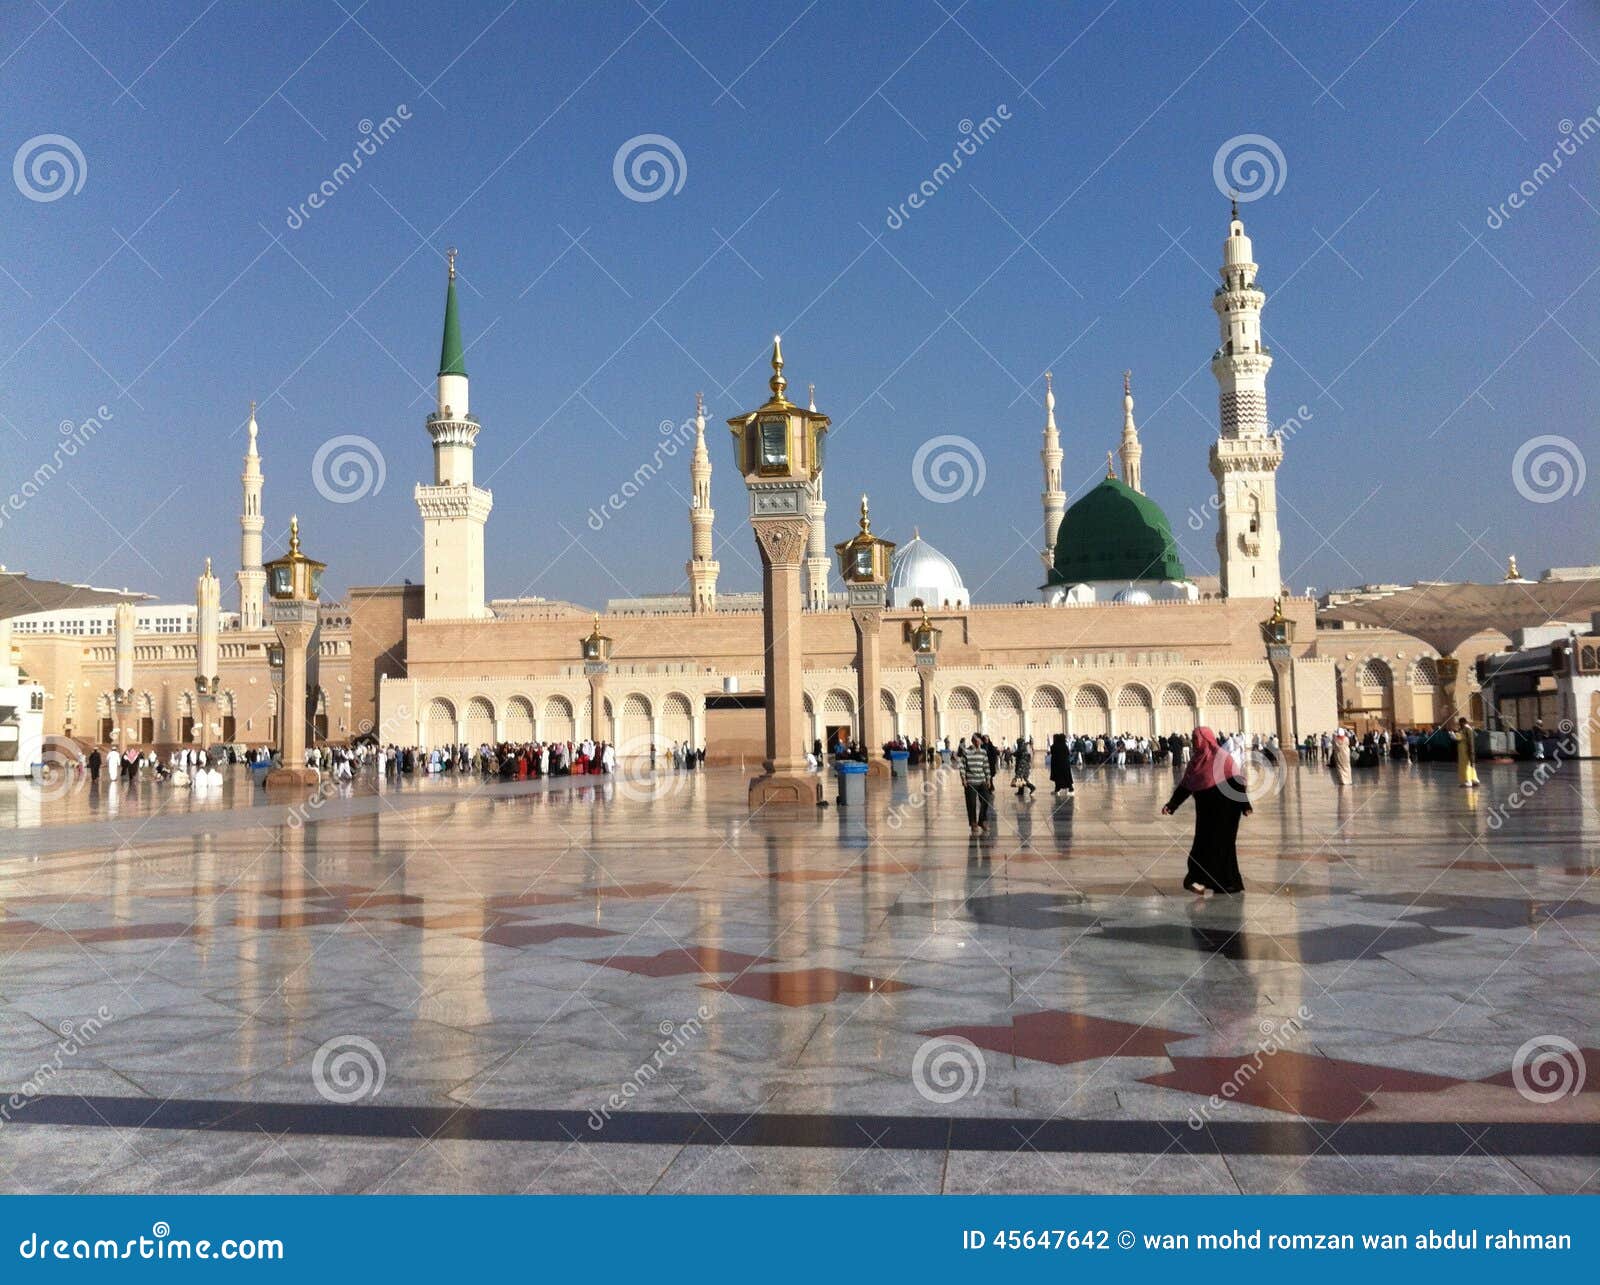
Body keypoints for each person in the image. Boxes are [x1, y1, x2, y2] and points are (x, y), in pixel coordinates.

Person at [1161, 727, 1251, 895]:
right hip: (1206, 811)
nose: (1195, 743)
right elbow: (1186, 785)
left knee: (1223, 845)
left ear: (1206, 740)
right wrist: (1172, 805)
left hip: (1226, 810)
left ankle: (1223, 883)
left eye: (1196, 739)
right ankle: (1203, 880)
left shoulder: (1223, 758)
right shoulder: (1196, 762)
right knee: (1202, 844)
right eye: (1194, 739)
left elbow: (1237, 782)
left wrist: (1245, 805)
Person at [958, 734, 994, 834]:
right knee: (971, 804)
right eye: (977, 741)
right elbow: (962, 766)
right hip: (971, 782)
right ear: (973, 741)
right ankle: (973, 823)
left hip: (981, 780)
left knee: (986, 799)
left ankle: (981, 821)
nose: (979, 743)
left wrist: (988, 779)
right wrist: (963, 778)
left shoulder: (983, 752)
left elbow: (986, 766)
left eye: (980, 741)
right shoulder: (966, 752)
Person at [1455, 716, 1479, 788]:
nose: (1459, 724)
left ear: (1463, 722)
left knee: (1466, 765)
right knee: (1467, 765)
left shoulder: (1468, 729)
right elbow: (1459, 738)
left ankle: (1468, 780)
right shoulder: (1462, 729)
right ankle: (1474, 779)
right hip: (1462, 751)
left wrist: (1471, 751)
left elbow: (1470, 740)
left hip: (1466, 750)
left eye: (1460, 723)